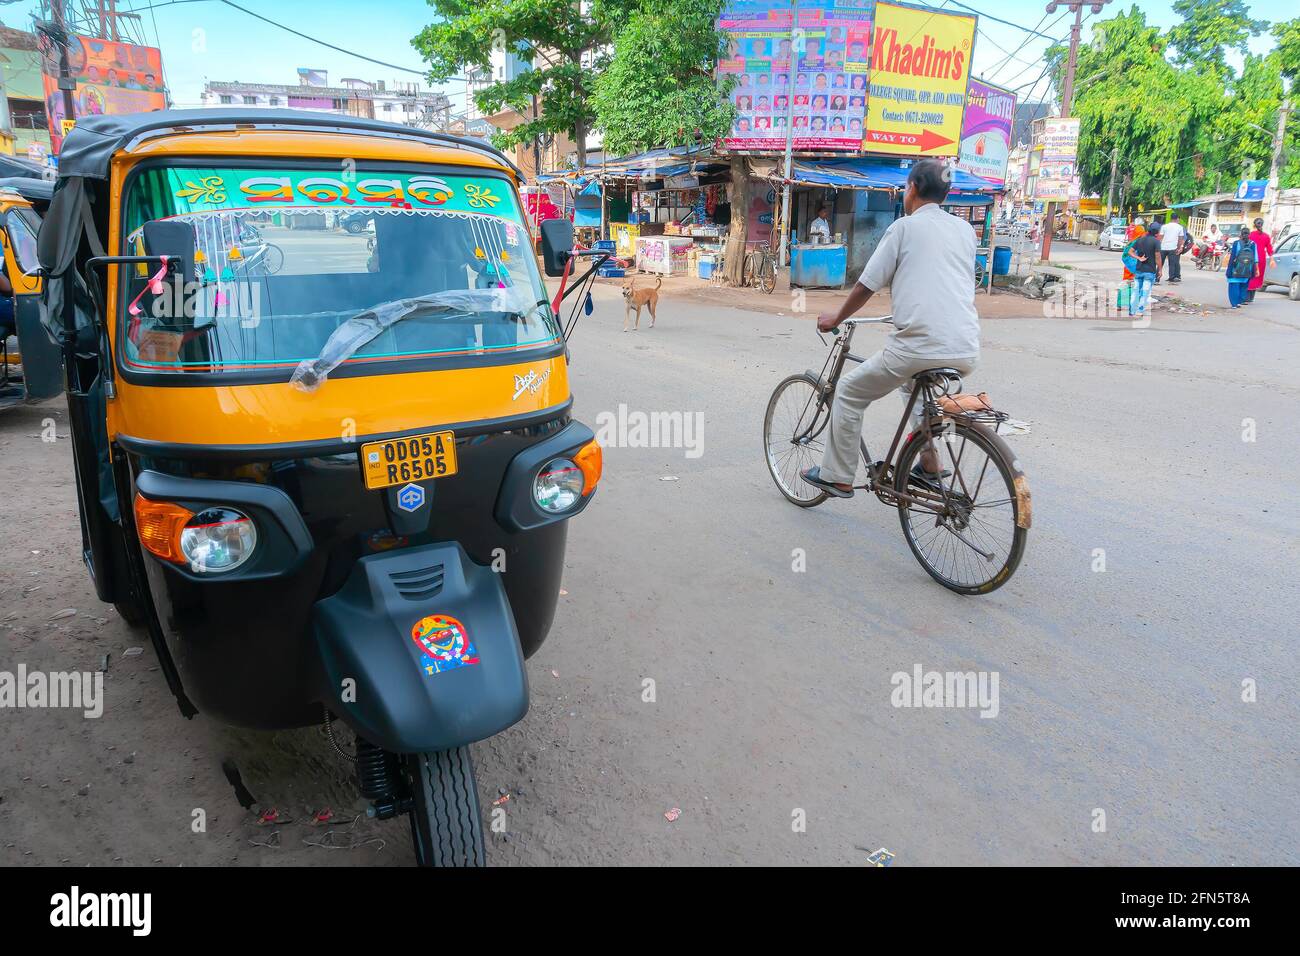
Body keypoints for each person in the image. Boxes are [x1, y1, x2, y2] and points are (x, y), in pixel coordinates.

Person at [800, 160, 979, 498]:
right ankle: (928, 462)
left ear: (911, 188)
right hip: (966, 346)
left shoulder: (903, 228)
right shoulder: (965, 231)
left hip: (918, 346)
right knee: (911, 387)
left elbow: (866, 285)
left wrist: (835, 318)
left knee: (850, 392)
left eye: (905, 187)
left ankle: (836, 475)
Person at [1129, 222, 1162, 318]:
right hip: (1149, 271)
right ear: (1156, 233)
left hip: (1139, 270)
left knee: (1136, 291)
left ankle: (1132, 311)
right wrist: (1159, 270)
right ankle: (1139, 310)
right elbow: (1158, 256)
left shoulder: (1140, 240)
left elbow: (1130, 252)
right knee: (1145, 292)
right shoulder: (1156, 242)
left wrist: (1138, 258)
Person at [1244, 217, 1275, 303]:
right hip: (1261, 260)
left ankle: (1246, 298)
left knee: (1249, 277)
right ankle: (1251, 298)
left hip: (1251, 258)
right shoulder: (1266, 236)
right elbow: (1269, 249)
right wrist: (1272, 260)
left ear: (1254, 225)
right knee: (1257, 277)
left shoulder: (1250, 235)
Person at [1225, 225, 1253, 309]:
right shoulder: (1252, 244)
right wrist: (1254, 270)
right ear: (1249, 234)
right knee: (1243, 285)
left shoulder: (1237, 243)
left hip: (1236, 269)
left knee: (1234, 285)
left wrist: (1229, 270)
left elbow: (1232, 257)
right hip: (1247, 269)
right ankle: (1239, 302)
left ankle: (1234, 304)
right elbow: (1255, 258)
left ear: (1240, 234)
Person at [1159, 214, 1185, 283]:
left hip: (1163, 247)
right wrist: (1179, 247)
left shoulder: (1164, 226)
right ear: (1177, 219)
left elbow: (1160, 238)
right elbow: (1180, 239)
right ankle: (1171, 279)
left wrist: (1159, 246)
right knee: (1172, 264)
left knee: (1160, 263)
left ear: (1171, 218)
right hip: (1173, 247)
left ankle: (1157, 279)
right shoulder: (1179, 227)